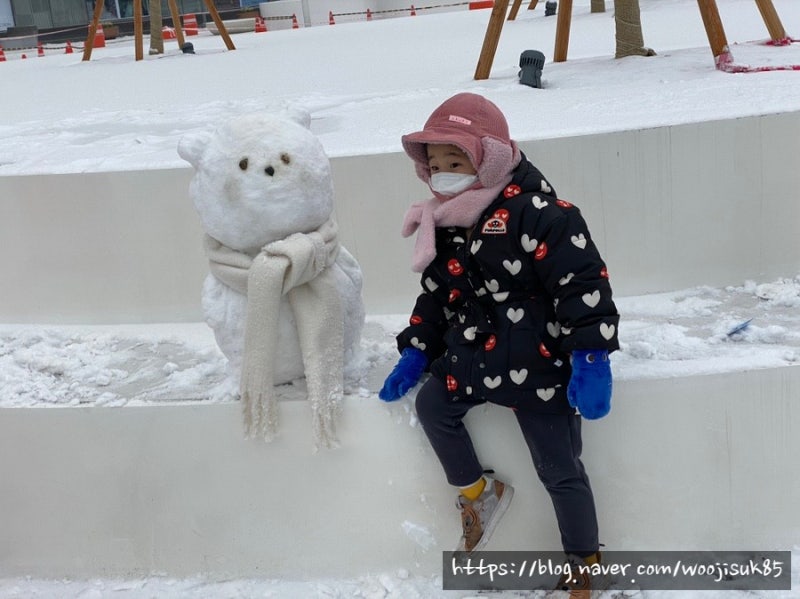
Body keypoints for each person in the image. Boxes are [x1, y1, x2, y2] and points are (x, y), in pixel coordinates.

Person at [379, 93, 619, 596]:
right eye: (436, 164)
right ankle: (478, 492)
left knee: (559, 469)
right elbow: (438, 295)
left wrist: (591, 356)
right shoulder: (447, 222)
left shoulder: (542, 214)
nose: (443, 174)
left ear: (488, 157)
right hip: (474, 356)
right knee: (432, 406)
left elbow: (581, 285)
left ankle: (584, 561)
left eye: (456, 162)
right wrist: (417, 349)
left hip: (539, 362)